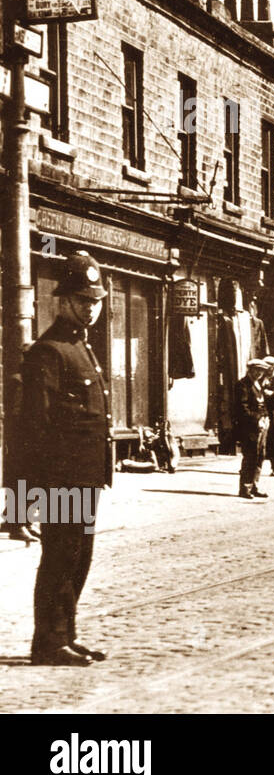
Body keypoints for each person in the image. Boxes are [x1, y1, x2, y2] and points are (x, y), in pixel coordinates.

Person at [23, 251, 114, 666]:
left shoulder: (82, 348)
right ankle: (48, 641)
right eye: (83, 300)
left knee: (80, 556)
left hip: (86, 477)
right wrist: (23, 500)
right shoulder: (50, 351)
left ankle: (67, 633)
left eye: (95, 301)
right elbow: (32, 428)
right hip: (60, 478)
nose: (91, 308)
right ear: (63, 301)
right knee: (60, 558)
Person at [233, 358, 271, 498]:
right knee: (250, 456)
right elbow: (242, 408)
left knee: (260, 455)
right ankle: (245, 488)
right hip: (249, 427)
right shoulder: (242, 385)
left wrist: (266, 417)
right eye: (257, 370)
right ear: (250, 370)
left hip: (262, 425)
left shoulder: (259, 384)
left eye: (261, 371)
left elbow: (263, 404)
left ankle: (254, 485)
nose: (259, 373)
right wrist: (257, 418)